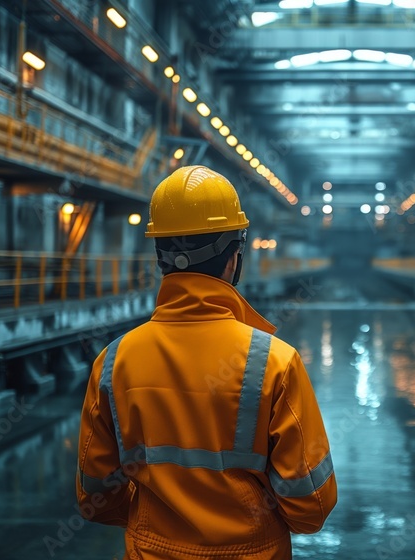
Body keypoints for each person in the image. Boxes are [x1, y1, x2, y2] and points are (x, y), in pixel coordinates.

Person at [77, 165, 337, 559]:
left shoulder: (114, 361)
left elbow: (97, 496)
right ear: (234, 256)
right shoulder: (274, 362)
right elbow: (310, 508)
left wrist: (156, 520)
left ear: (160, 255)